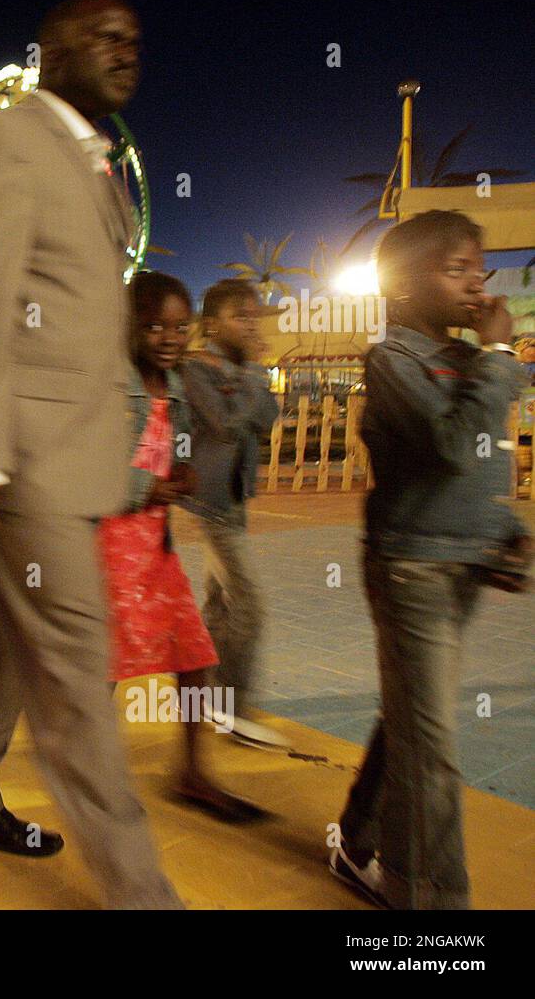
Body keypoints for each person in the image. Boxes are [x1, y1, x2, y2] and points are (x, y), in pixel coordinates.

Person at [0, 0, 182, 908]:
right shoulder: (3, 139)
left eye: (134, 40)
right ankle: (142, 893)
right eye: (102, 38)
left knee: (13, 632)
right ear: (49, 54)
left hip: (86, 460)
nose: (125, 52)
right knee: (76, 669)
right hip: (26, 461)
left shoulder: (99, 165)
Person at [331, 211, 531, 909]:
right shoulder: (393, 359)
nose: (478, 283)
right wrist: (502, 358)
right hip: (411, 566)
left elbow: (481, 464)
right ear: (406, 288)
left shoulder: (468, 358)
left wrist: (501, 529)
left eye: (480, 268)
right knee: (433, 750)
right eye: (457, 270)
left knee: (413, 719)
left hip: (460, 562)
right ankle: (428, 900)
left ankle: (357, 837)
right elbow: (453, 444)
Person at [100, 272, 265, 822]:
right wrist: (150, 486)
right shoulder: (110, 385)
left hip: (155, 548)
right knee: (105, 669)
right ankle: (91, 779)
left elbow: (186, 443)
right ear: (128, 327)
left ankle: (193, 773)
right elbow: (81, 467)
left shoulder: (172, 388)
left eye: (178, 326)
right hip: (106, 546)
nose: (169, 337)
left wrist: (184, 469)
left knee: (193, 656)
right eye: (154, 326)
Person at [179, 279, 289, 749]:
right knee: (250, 606)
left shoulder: (247, 371)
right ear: (210, 324)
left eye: (253, 316)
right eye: (240, 316)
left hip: (235, 496)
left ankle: (201, 697)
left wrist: (252, 376)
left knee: (221, 605)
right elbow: (223, 425)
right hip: (210, 501)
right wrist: (250, 379)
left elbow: (266, 420)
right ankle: (232, 712)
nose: (250, 324)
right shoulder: (196, 368)